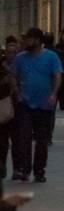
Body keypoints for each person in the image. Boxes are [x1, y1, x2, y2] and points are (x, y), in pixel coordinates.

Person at [12, 28, 62, 184]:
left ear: (38, 40)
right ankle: (25, 170)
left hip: (44, 105)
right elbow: (14, 76)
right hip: (25, 104)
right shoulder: (21, 58)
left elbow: (57, 76)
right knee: (24, 139)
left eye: (29, 39)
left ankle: (39, 171)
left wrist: (54, 94)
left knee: (41, 141)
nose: (26, 42)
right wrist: (18, 93)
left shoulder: (51, 57)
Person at [1, 37, 20, 180]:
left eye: (15, 52)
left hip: (18, 108)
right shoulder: (2, 68)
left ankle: (17, 168)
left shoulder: (21, 67)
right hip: (3, 108)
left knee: (17, 141)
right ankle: (2, 166)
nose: (11, 55)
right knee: (2, 140)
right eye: (9, 52)